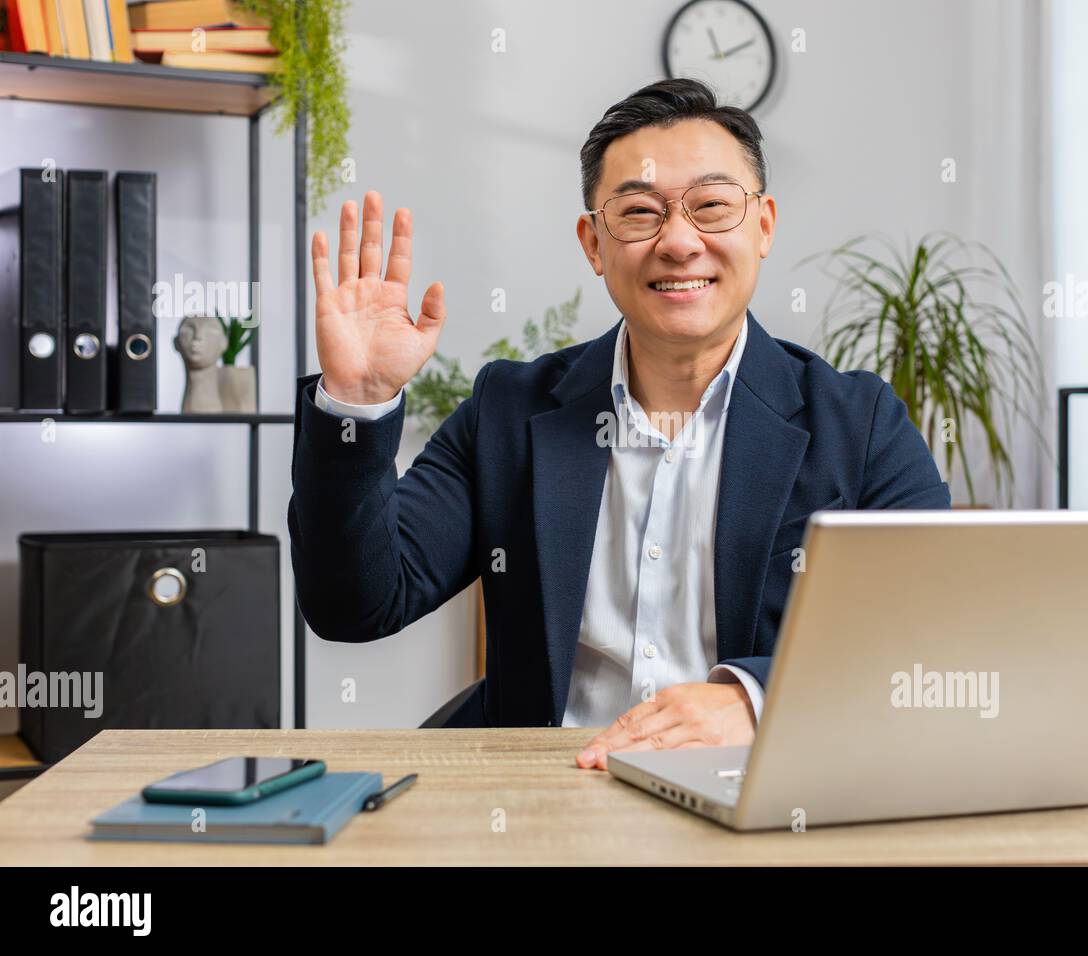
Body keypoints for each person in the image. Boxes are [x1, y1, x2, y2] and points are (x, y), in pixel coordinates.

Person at [288, 78, 950, 771]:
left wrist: (758, 699)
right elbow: (355, 605)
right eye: (639, 213)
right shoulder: (509, 412)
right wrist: (356, 403)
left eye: (713, 206)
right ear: (594, 244)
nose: (679, 242)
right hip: (544, 805)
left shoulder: (861, 422)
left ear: (763, 226)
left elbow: (935, 628)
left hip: (764, 803)